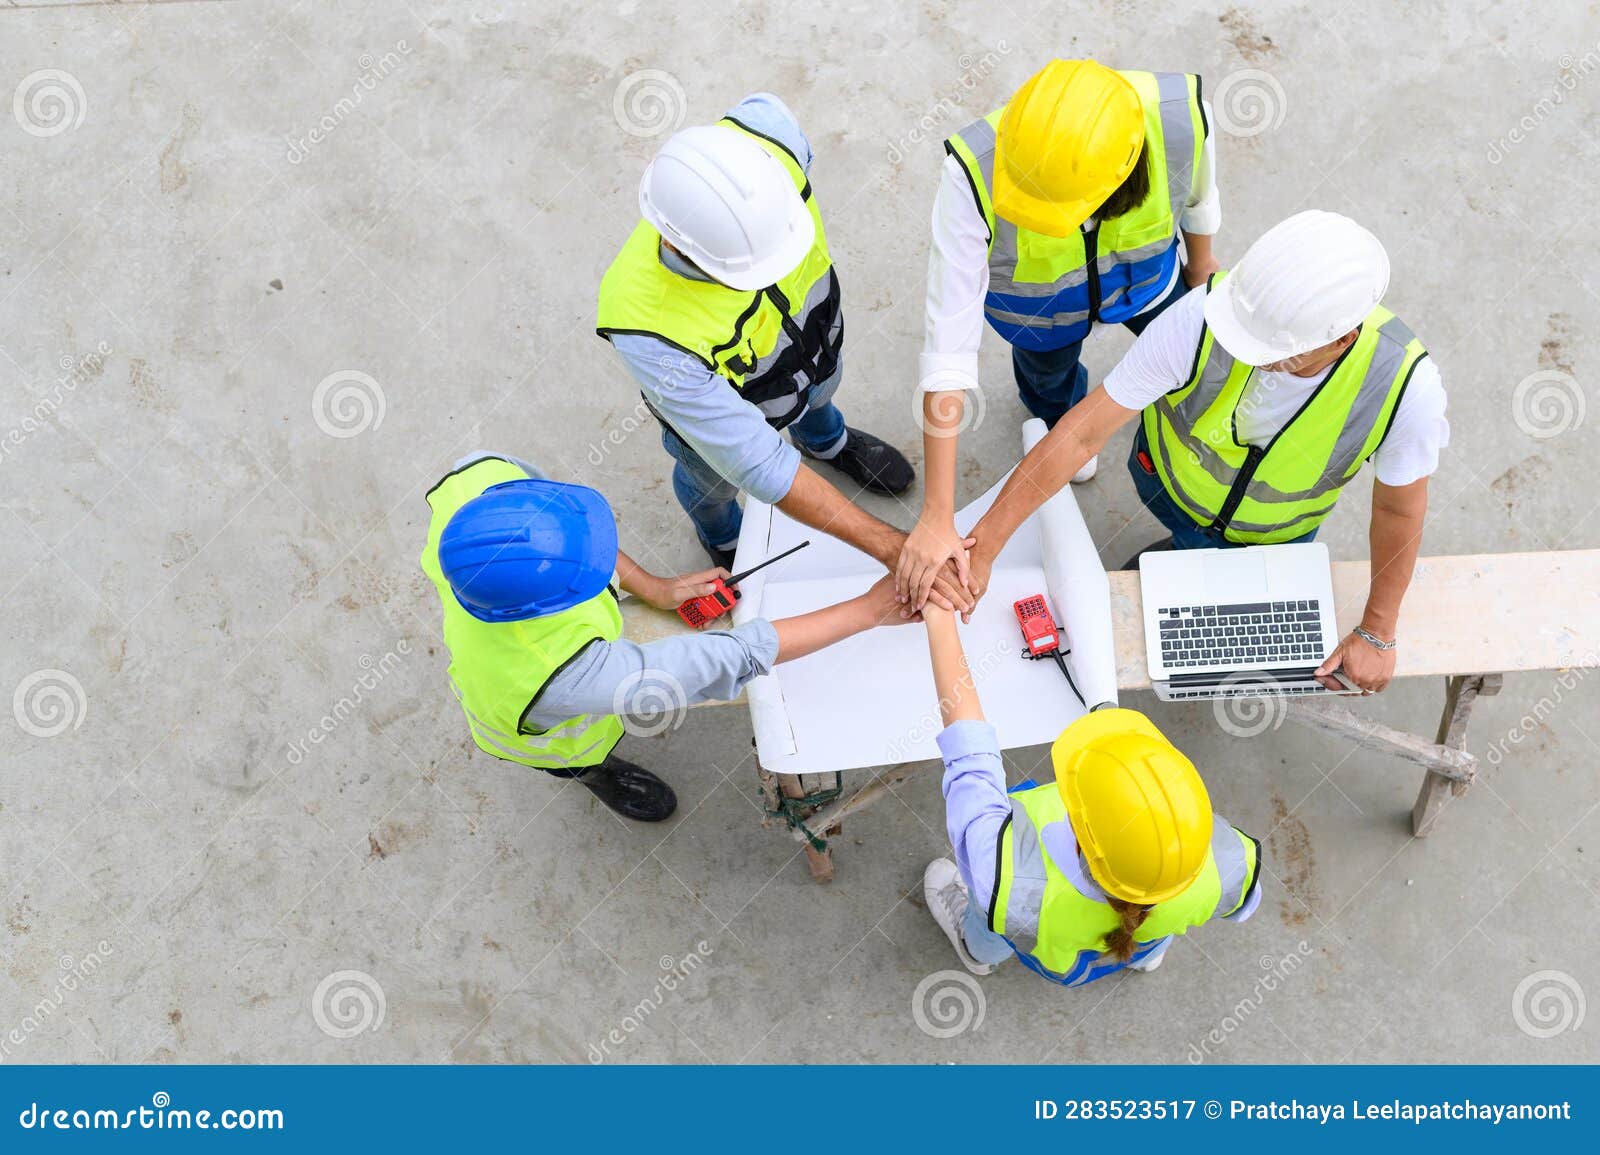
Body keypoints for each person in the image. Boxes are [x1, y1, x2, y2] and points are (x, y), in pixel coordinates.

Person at [962, 211, 1448, 693]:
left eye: (1269, 352)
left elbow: (1397, 510)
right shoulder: (1202, 317)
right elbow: (1080, 436)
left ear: (1341, 340)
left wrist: (1378, 630)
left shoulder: (1404, 386)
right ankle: (1178, 553)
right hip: (1167, 488)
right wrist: (982, 547)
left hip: (1276, 534)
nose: (1245, 353)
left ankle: (1178, 563)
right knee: (1185, 550)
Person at [597, 94, 970, 610]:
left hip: (815, 343)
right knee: (713, 483)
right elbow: (758, 461)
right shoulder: (645, 328)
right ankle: (725, 536)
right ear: (683, 247)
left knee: (821, 396)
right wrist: (893, 546)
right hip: (740, 409)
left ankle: (827, 443)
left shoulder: (770, 130)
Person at [420, 452, 915, 823]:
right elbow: (734, 656)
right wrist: (870, 609)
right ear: (550, 604)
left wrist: (653, 588)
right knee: (575, 757)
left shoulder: (481, 488)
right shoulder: (557, 674)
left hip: (512, 642)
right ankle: (597, 775)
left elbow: (565, 538)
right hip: (541, 731)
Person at [898, 58, 1221, 609]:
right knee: (1048, 381)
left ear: (1124, 174)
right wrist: (936, 514)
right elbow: (947, 349)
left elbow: (1199, 198)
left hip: (1144, 282)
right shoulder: (972, 173)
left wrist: (1201, 274)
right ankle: (1056, 419)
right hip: (1040, 315)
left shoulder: (1178, 119)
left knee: (1189, 368)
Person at [918, 603, 1262, 984]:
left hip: (1033, 933)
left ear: (1083, 837)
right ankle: (1142, 956)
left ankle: (976, 952)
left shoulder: (1004, 877)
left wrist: (938, 613)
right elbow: (1244, 904)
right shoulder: (1228, 859)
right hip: (1144, 932)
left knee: (991, 921)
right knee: (1148, 931)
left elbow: (971, 764)